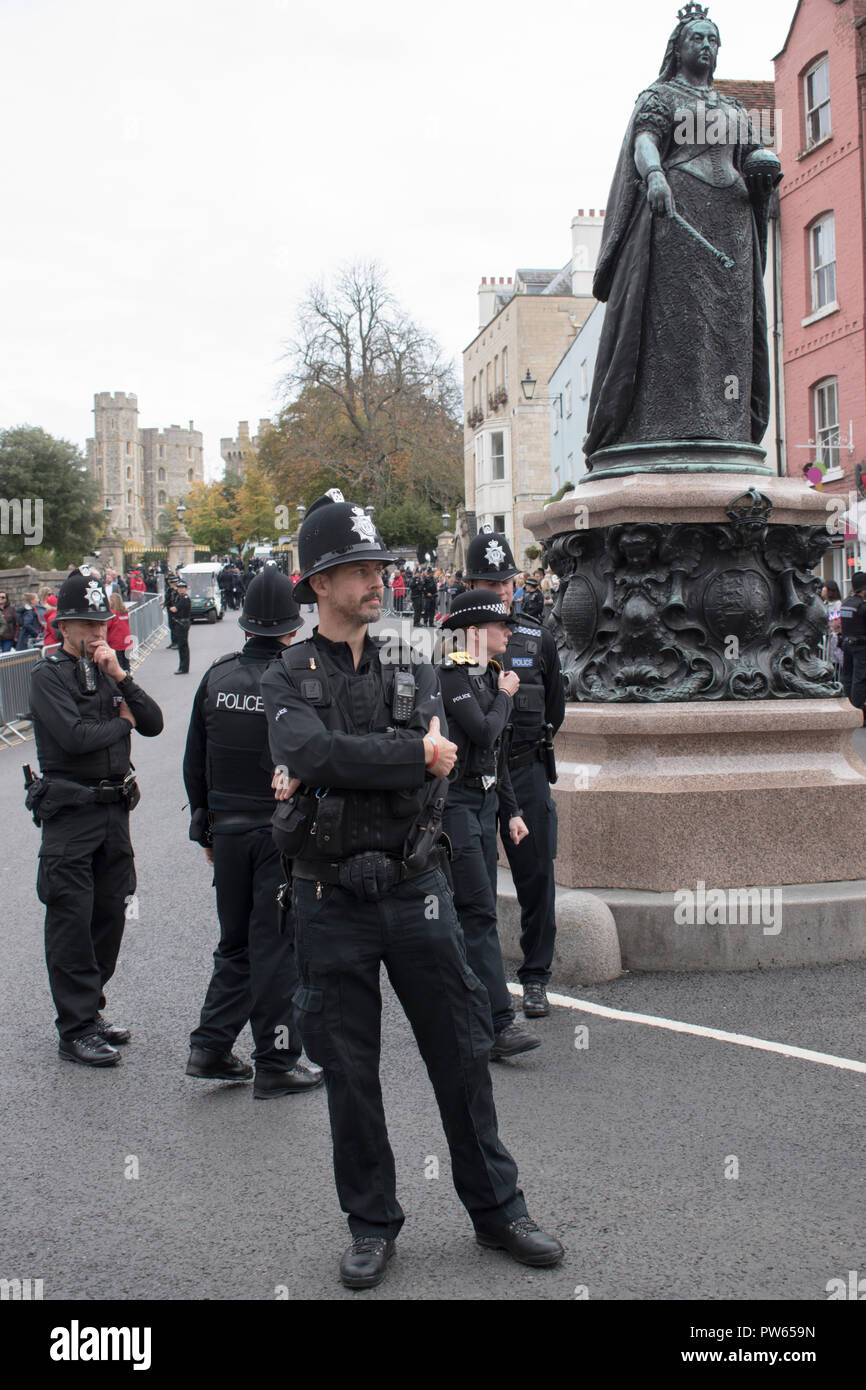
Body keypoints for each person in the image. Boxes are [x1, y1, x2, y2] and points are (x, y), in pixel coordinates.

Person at [261, 490, 563, 1291]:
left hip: (414, 883)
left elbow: (430, 752)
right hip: (328, 899)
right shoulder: (287, 671)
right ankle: (372, 1223)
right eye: (357, 569)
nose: (376, 580)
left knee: (462, 1052)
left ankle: (499, 1209)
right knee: (351, 1072)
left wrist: (367, 760)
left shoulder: (415, 655)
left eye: (379, 566)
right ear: (318, 584)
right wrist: (403, 758)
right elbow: (313, 752)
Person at [584, 6, 781, 461]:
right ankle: (665, 423)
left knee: (729, 328)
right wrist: (654, 174)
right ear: (679, 47)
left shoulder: (733, 108)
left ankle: (725, 425)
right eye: (698, 38)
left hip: (730, 226)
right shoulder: (661, 96)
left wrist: (764, 168)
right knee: (678, 324)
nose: (707, 46)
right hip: (679, 221)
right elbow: (644, 140)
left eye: (713, 39)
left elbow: (752, 153)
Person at [183, 563, 322, 1099]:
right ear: (291, 629)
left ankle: (211, 1046)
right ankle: (277, 1061)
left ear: (246, 626)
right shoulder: (299, 680)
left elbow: (195, 762)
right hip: (279, 837)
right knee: (278, 950)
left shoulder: (216, 677)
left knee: (235, 943)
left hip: (230, 833)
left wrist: (207, 833)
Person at [26, 567, 163, 1065]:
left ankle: (92, 1008)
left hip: (113, 813)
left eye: (102, 623)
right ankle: (75, 1027)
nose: (98, 633)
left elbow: (152, 724)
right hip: (70, 814)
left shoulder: (110, 673)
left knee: (110, 913)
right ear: (63, 627)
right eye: (86, 624)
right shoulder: (47, 676)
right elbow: (74, 738)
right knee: (71, 919)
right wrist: (118, 720)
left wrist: (121, 679)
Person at [464, 531, 566, 1018]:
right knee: (474, 886)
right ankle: (477, 986)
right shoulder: (451, 647)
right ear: (470, 584)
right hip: (476, 782)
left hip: (525, 772)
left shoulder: (536, 638)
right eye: (489, 582)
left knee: (536, 879)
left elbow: (555, 710)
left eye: (506, 582)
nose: (501, 591)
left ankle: (536, 977)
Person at [439, 590, 539, 1060]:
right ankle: (498, 1022)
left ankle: (468, 1015)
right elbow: (482, 730)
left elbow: (495, 755)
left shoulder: (493, 675)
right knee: (476, 914)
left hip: (483, 803)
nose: (510, 633)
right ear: (475, 633)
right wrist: (503, 697)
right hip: (455, 806)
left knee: (469, 916)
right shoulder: (452, 675)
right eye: (502, 626)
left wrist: (512, 811)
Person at [840, 572, 866, 723]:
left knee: (848, 678)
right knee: (860, 680)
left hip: (847, 644)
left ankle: (847, 706)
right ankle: (856, 712)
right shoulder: (862, 606)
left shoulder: (847, 602)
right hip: (860, 647)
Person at [107, 593, 132, 672]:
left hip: (116, 642)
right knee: (126, 664)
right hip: (126, 641)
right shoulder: (125, 612)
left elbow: (107, 626)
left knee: (119, 665)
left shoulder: (112, 614)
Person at [170, 579, 191, 674]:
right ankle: (183, 667)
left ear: (186, 589)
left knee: (183, 646)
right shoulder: (180, 597)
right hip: (179, 623)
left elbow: (174, 609)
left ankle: (183, 667)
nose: (180, 590)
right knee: (182, 646)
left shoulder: (184, 598)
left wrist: (173, 608)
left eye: (182, 588)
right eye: (179, 588)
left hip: (183, 623)